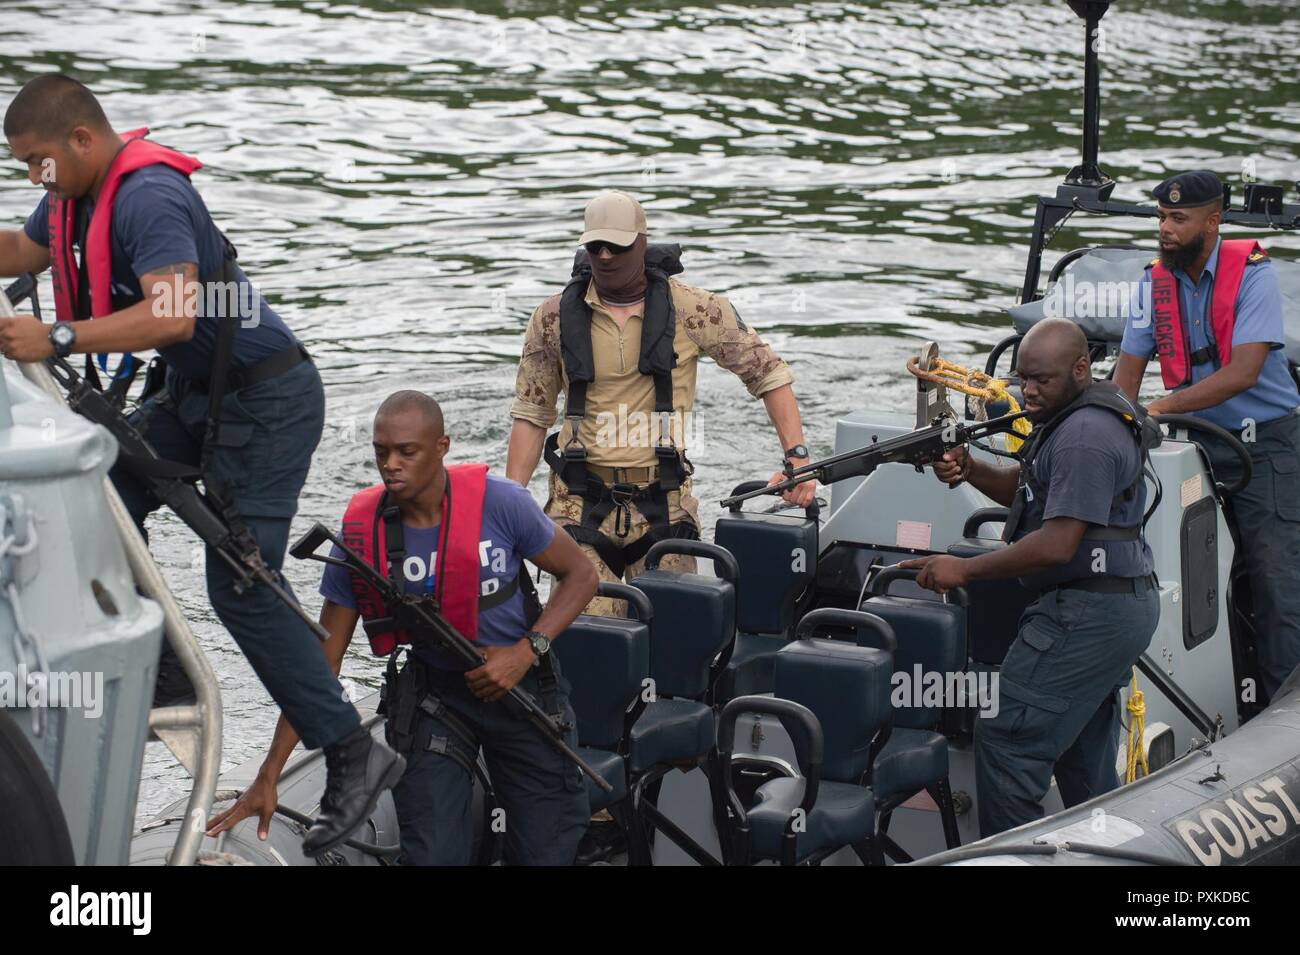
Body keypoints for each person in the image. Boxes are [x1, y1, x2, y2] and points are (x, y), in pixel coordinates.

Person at [0, 74, 399, 856]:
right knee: (100, 484)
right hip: (195, 396)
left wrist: (59, 340)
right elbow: (23, 248)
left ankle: (354, 750)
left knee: (241, 583)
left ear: (83, 140)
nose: (32, 180)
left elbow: (173, 312)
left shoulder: (148, 196)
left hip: (268, 401)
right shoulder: (74, 194)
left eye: (37, 162)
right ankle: (158, 667)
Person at [208, 391, 600, 865]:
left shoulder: (503, 504)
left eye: (406, 452)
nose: (390, 465)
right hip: (437, 701)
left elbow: (581, 576)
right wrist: (270, 773)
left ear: (442, 447)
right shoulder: (360, 535)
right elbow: (321, 662)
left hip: (523, 691)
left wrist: (527, 649)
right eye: (381, 452)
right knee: (432, 854)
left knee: (547, 848)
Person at [901, 318, 1160, 837]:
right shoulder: (1075, 417)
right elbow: (1030, 491)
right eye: (1022, 379)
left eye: (1042, 379)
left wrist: (964, 569)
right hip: (1109, 604)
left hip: (1088, 612)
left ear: (1082, 369)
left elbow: (1058, 542)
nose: (1028, 392)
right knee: (1083, 755)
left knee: (1008, 739)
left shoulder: (1085, 435)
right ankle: (1104, 850)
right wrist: (970, 468)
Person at [506, 190, 815, 616]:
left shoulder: (693, 309)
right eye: (595, 246)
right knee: (598, 638)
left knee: (675, 636)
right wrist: (510, 503)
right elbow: (532, 414)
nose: (605, 256)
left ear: (642, 242)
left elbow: (768, 374)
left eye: (616, 245)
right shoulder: (553, 317)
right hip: (578, 502)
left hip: (663, 501)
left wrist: (797, 457)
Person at [1114, 169, 1300, 704]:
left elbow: (1243, 372)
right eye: (1161, 218)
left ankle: (1282, 717)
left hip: (1265, 445)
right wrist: (1112, 422)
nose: (1164, 229)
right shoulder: (1155, 282)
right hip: (1196, 447)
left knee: (1277, 584)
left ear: (1214, 221)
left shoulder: (1254, 274)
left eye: (1178, 218)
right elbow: (1126, 380)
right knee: (1187, 575)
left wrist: (1159, 407)